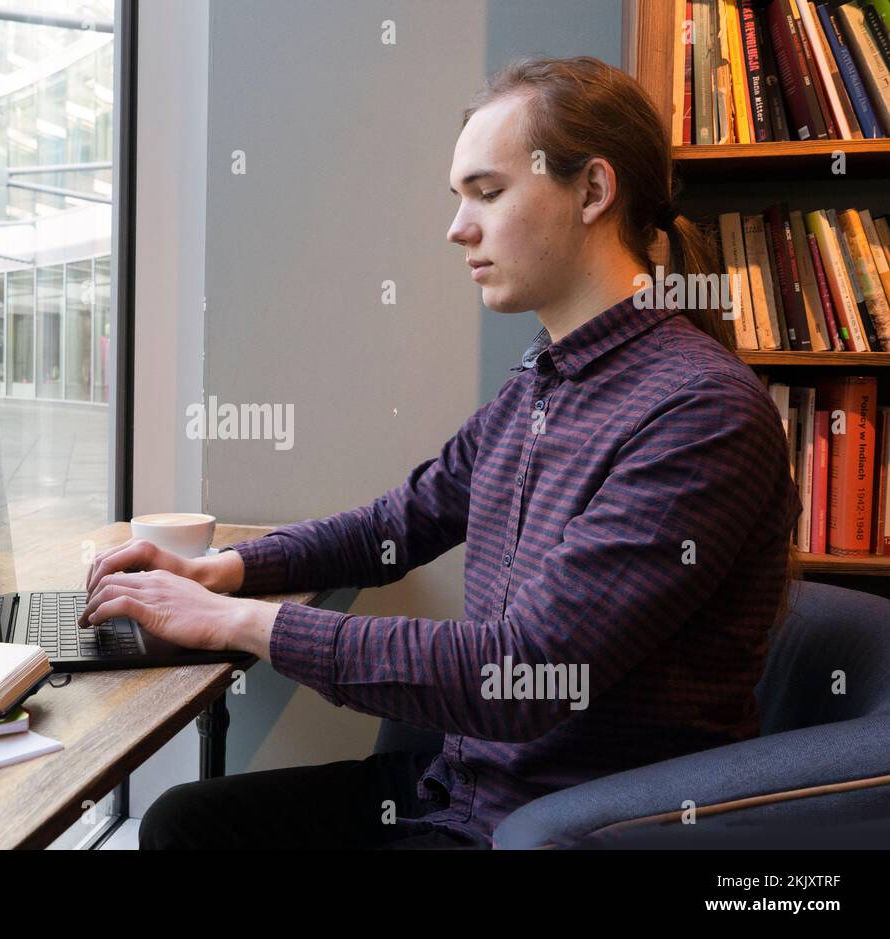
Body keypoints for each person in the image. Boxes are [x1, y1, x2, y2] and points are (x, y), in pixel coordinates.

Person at [79, 55, 801, 850]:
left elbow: (522, 672)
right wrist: (228, 570)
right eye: (460, 198)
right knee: (188, 820)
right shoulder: (543, 376)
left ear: (593, 192)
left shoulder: (699, 413)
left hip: (558, 823)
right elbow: (404, 518)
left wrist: (236, 622)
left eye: (487, 194)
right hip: (461, 787)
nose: (457, 227)